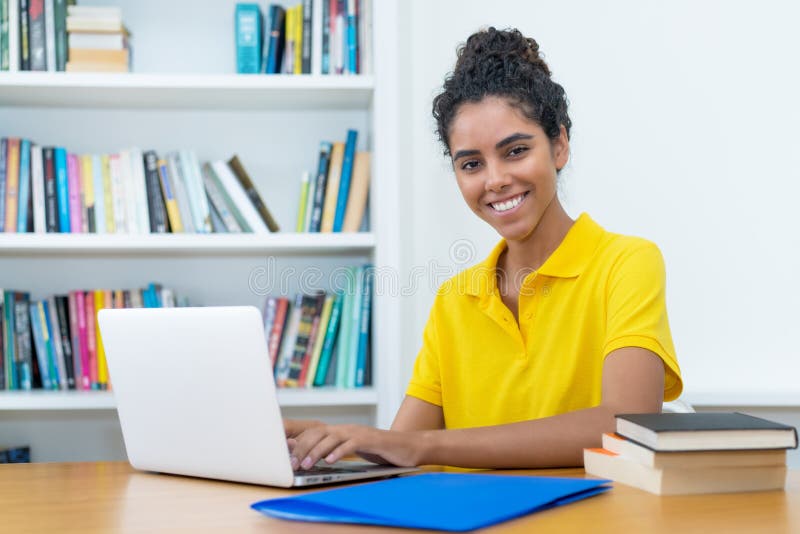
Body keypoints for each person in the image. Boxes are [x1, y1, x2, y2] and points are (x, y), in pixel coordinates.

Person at [285, 27, 682, 470]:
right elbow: (401, 450)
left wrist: (424, 446)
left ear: (559, 146)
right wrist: (330, 441)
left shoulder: (626, 264)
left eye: (515, 151)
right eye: (472, 163)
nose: (494, 180)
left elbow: (626, 423)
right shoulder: (455, 300)